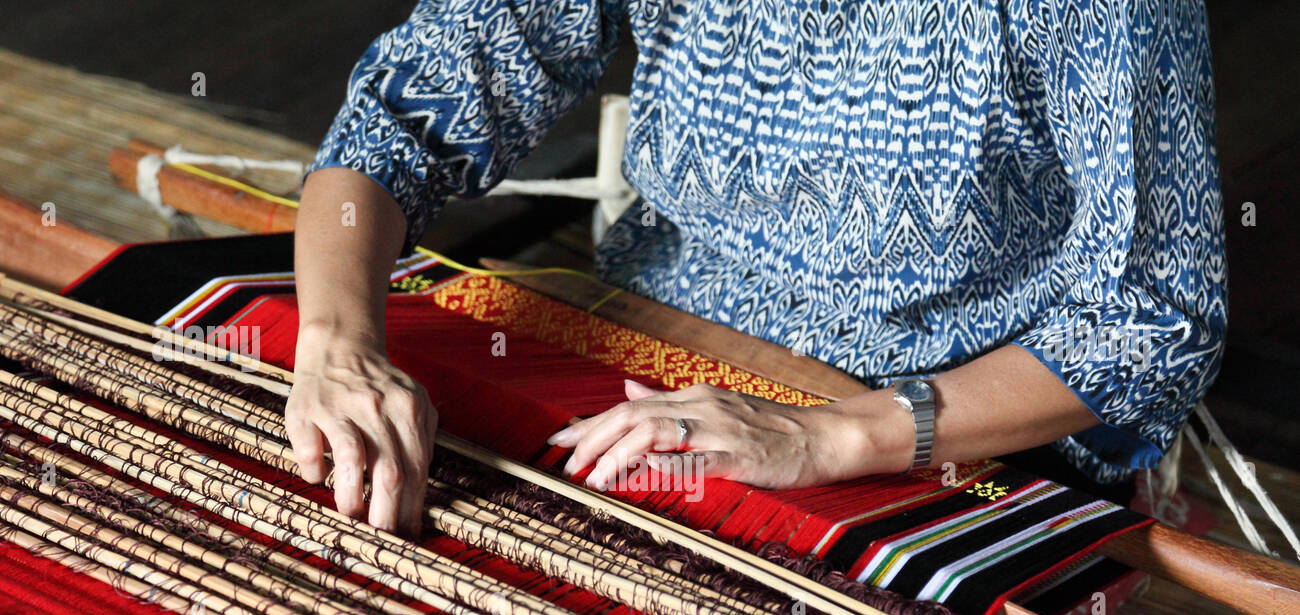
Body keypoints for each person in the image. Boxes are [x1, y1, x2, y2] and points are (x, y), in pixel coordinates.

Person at [290, 0, 1226, 537]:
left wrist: (832, 439)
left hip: (930, 435)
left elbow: (1154, 317)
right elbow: (397, 121)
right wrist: (334, 344)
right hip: (640, 372)